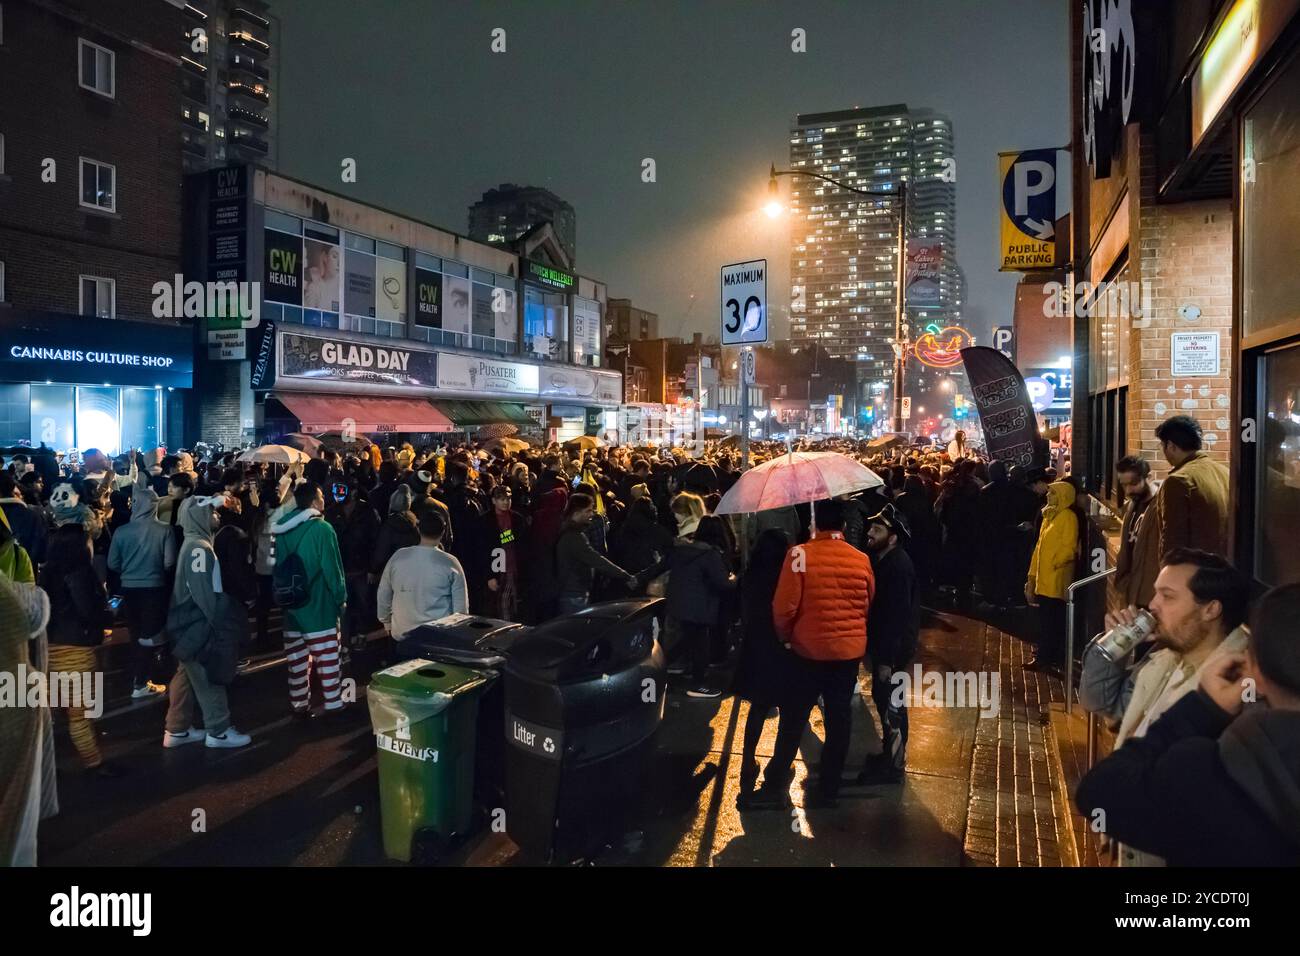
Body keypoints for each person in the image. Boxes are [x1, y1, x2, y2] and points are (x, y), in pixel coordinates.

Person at [1075, 582, 1300, 867]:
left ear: (1253, 667)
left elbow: (1099, 791)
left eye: (1168, 595)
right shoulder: (1157, 665)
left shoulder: (1208, 768)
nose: (1152, 605)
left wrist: (1201, 709)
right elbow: (1101, 700)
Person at [752, 498, 875, 809]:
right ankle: (830, 787)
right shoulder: (861, 558)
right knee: (839, 720)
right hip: (847, 654)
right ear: (844, 526)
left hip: (807, 651)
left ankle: (776, 780)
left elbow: (784, 608)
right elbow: (868, 601)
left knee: (793, 719)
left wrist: (785, 638)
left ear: (812, 524)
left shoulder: (798, 555)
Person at [162, 496, 251, 749]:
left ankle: (176, 729)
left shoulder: (193, 543)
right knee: (208, 675)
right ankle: (219, 731)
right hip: (197, 624)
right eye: (211, 512)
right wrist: (219, 626)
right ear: (199, 517)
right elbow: (205, 595)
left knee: (186, 676)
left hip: (185, 624)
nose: (216, 515)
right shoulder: (199, 548)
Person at [40, 496, 115, 773]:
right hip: (76, 648)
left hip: (51, 647)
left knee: (49, 713)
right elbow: (88, 610)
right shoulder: (80, 572)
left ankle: (41, 769)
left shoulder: (48, 573)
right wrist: (106, 613)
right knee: (79, 713)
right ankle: (93, 763)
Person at [271, 482, 348, 718]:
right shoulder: (322, 529)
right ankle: (333, 703)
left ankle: (299, 703)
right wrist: (340, 599)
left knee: (297, 661)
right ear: (314, 502)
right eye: (322, 496)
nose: (324, 500)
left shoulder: (279, 528)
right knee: (327, 660)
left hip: (290, 604)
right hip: (318, 605)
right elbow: (333, 571)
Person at [859, 504, 920, 784]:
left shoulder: (897, 566)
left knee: (891, 703)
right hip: (887, 647)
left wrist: (887, 659)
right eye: (871, 527)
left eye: (878, 529)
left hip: (892, 651)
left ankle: (894, 764)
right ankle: (889, 754)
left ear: (893, 537)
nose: (869, 532)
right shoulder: (886, 561)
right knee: (885, 700)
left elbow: (896, 617)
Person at [733, 529, 791, 808]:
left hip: (755, 646)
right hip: (781, 647)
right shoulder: (787, 577)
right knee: (789, 710)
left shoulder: (750, 575)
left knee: (757, 708)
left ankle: (747, 760)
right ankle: (780, 764)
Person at [106, 486, 174, 699]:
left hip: (129, 589)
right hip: (154, 588)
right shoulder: (165, 530)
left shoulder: (121, 531)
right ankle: (142, 681)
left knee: (135, 634)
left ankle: (138, 676)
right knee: (151, 634)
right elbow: (169, 562)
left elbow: (112, 563)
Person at [664, 514, 737, 699]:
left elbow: (661, 566)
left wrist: (636, 577)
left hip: (679, 604)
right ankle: (697, 684)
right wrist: (737, 579)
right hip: (700, 607)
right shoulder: (710, 554)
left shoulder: (683, 549)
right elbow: (722, 583)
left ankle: (658, 668)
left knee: (687, 640)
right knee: (700, 646)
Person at [378, 510, 469, 651]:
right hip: (438, 639)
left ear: (418, 529)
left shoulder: (398, 557)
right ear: (443, 531)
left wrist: (386, 622)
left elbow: (384, 593)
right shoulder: (450, 563)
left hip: (402, 635)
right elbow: (461, 611)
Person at [1153, 415, 1230, 563]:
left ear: (1171, 446)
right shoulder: (1224, 472)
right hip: (1224, 569)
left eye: (1162, 445)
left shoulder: (1178, 481)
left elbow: (1173, 540)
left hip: (1193, 574)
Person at [1024, 480, 1080, 672]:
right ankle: (1045, 655)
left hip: (1056, 578)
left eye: (1052, 493)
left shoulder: (1068, 517)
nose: (1048, 496)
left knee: (1052, 620)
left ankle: (1047, 657)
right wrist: (1032, 574)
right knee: (1045, 619)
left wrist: (1053, 563)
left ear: (1062, 496)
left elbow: (1069, 548)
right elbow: (1039, 548)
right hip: (1044, 577)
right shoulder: (1049, 516)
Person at [554, 493, 637, 617]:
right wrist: (624, 575)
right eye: (588, 511)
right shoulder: (574, 537)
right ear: (576, 512)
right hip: (574, 593)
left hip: (573, 591)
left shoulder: (571, 531)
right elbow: (596, 559)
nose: (592, 514)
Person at [1112, 454, 1161, 609]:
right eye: (1123, 485)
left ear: (1148, 477)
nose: (1128, 490)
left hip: (1151, 594)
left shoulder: (1161, 507)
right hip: (1132, 591)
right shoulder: (1132, 506)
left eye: (1133, 483)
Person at [479, 484, 527, 621]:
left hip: (514, 566)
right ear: (494, 500)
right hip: (498, 567)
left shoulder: (517, 519)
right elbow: (483, 549)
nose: (506, 502)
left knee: (513, 604)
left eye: (508, 498)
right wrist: (489, 575)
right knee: (501, 604)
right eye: (502, 499)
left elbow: (523, 543)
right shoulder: (486, 521)